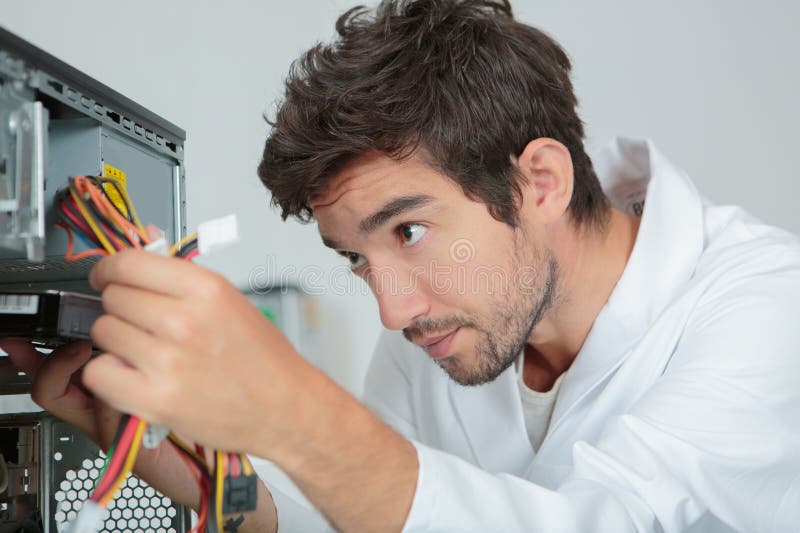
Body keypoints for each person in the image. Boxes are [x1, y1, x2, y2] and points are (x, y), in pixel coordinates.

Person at [4, 1, 800, 531]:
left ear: (540, 182)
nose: (390, 308)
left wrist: (292, 407)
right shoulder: (443, 326)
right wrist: (176, 461)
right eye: (356, 257)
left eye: (410, 231)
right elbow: (362, 510)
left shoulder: (765, 307)